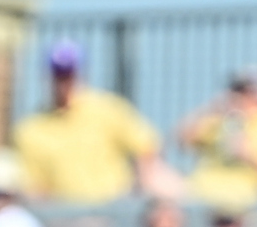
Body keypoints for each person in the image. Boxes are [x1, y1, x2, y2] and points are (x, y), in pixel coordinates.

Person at [14, 41, 163, 204]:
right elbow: (34, 186)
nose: (64, 82)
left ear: (80, 74)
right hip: (63, 218)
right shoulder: (31, 128)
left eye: (69, 74)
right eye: (59, 75)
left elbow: (147, 148)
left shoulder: (108, 109)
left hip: (110, 214)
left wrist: (136, 188)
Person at [180, 67, 257, 213]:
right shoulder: (219, 121)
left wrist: (251, 156)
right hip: (200, 200)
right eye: (236, 91)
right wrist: (210, 109)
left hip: (248, 209)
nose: (240, 98)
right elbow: (182, 141)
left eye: (247, 93)